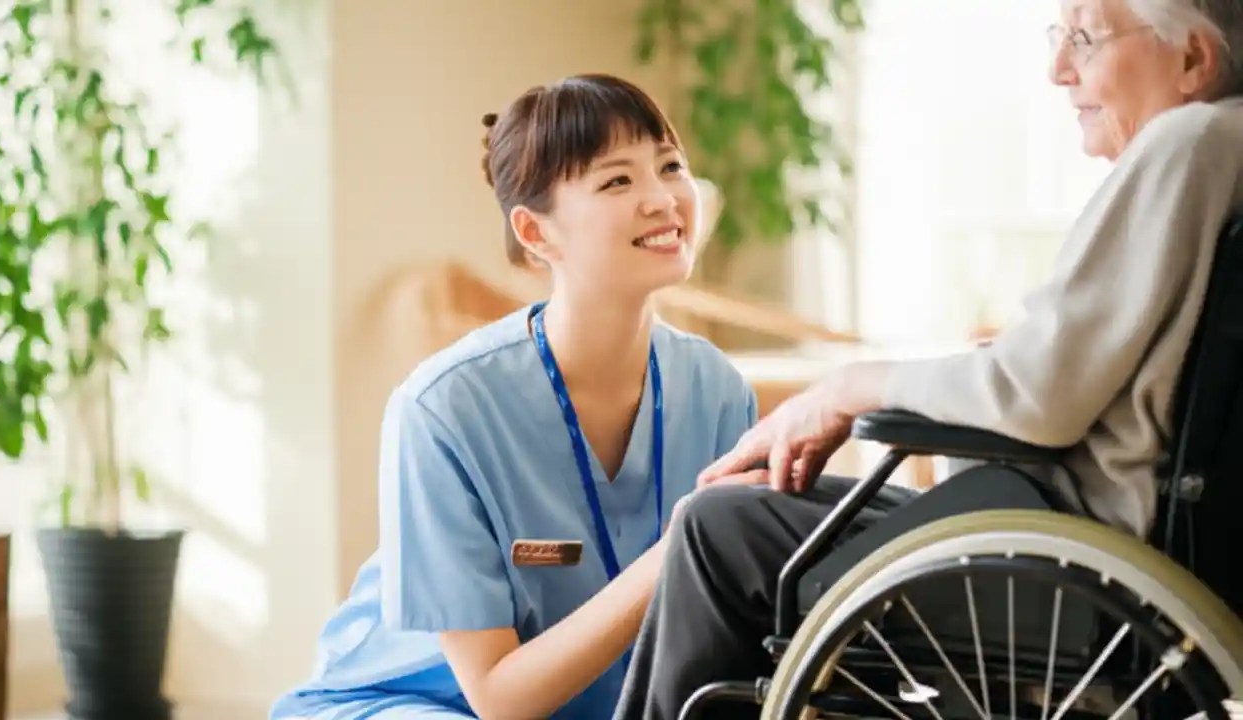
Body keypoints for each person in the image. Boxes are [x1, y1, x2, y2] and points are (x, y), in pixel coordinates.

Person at [612, 0, 1243, 717]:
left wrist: (844, 391)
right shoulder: (1222, 147)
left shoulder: (1188, 143)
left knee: (717, 529)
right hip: (1071, 528)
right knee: (737, 511)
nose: (1058, 69)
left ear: (1193, 60)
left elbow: (1031, 394)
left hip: (1060, 548)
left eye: (1085, 38)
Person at [268, 74, 761, 720]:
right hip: (407, 703)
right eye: (618, 180)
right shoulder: (444, 409)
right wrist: (679, 548)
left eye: (670, 166)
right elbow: (498, 698)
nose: (663, 197)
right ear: (535, 232)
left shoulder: (717, 392)